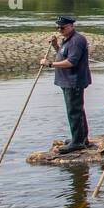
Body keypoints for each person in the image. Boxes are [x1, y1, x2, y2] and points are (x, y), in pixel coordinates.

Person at [41, 15, 91, 154]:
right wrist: (56, 45)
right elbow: (63, 55)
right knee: (77, 110)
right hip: (67, 81)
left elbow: (71, 62)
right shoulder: (67, 40)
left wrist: (50, 64)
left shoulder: (76, 40)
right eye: (57, 27)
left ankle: (78, 142)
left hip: (74, 81)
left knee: (74, 111)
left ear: (71, 26)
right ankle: (81, 138)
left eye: (62, 27)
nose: (59, 29)